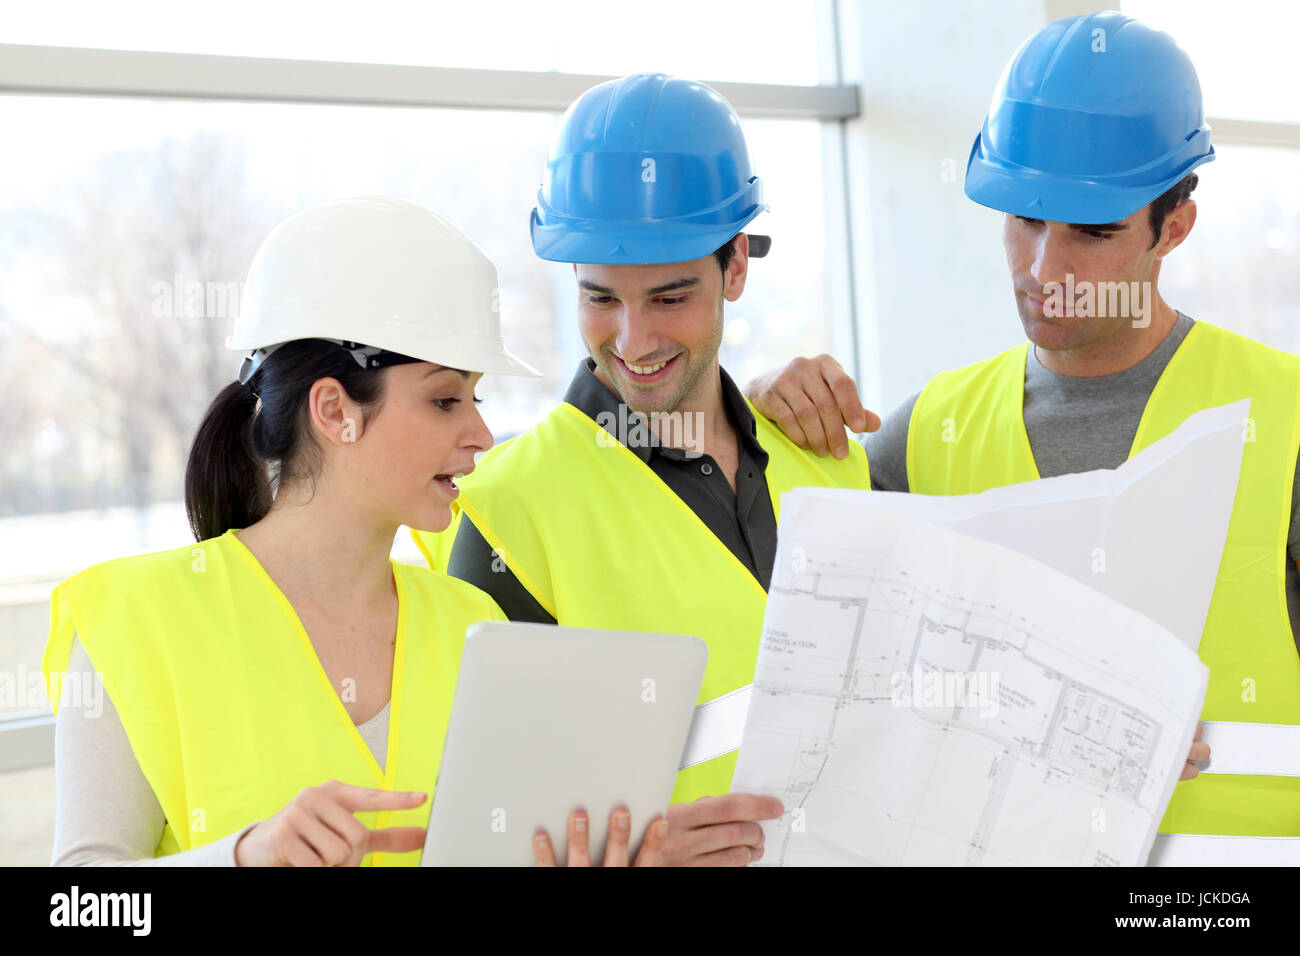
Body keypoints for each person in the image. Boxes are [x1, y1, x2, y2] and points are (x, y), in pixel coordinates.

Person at [744, 12, 1300, 864]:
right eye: (1026, 220)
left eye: (1093, 232)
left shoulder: (1286, 418)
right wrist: (760, 406)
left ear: (1175, 225)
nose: (1045, 270)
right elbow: (838, 687)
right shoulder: (924, 436)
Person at [43, 196, 666, 867]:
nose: (482, 434)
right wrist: (245, 856)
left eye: (476, 398)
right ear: (334, 409)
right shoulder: (136, 621)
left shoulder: (473, 625)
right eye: (445, 399)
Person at [409, 74, 872, 862]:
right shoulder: (505, 515)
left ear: (736, 266)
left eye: (669, 298)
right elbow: (488, 833)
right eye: (601, 299)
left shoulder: (832, 459)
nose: (632, 341)